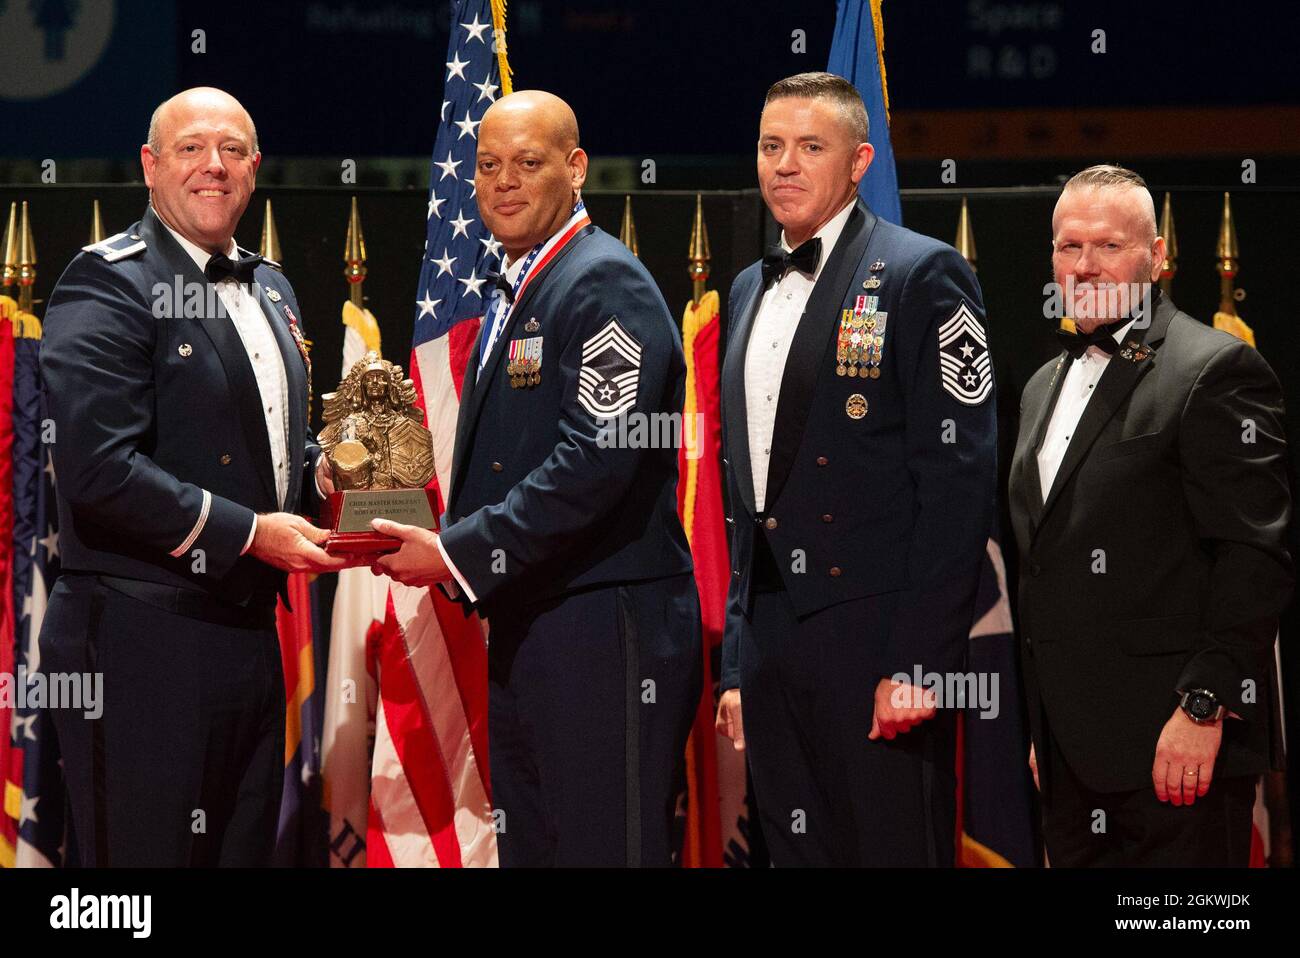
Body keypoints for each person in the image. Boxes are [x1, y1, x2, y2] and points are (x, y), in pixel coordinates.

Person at [371, 90, 701, 867]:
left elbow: (593, 461)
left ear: (576, 167)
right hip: (537, 621)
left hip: (604, 628)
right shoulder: (522, 286)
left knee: (602, 847)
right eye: (488, 166)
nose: (504, 183)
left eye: (528, 162)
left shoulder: (604, 284)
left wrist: (454, 555)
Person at [39, 87, 347, 867]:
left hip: (248, 638)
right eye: (190, 149)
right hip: (139, 638)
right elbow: (97, 468)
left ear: (255, 168)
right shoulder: (106, 281)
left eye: (233, 150)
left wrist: (330, 478)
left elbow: (272, 449)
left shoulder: (272, 287)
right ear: (150, 166)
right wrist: (253, 533)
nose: (214, 166)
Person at [713, 72, 997, 866]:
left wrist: (918, 662)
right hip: (773, 644)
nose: (786, 165)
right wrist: (738, 660)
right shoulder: (745, 288)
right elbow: (747, 498)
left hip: (877, 639)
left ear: (861, 159)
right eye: (772, 146)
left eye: (811, 147)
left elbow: (957, 484)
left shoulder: (923, 274)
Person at [1008, 164, 1292, 866]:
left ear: (1156, 255)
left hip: (1180, 747)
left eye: (1109, 245)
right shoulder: (1043, 383)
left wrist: (1204, 707)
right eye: (1069, 246)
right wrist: (1052, 728)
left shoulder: (1214, 368)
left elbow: (1256, 556)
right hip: (1072, 758)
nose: (1086, 264)